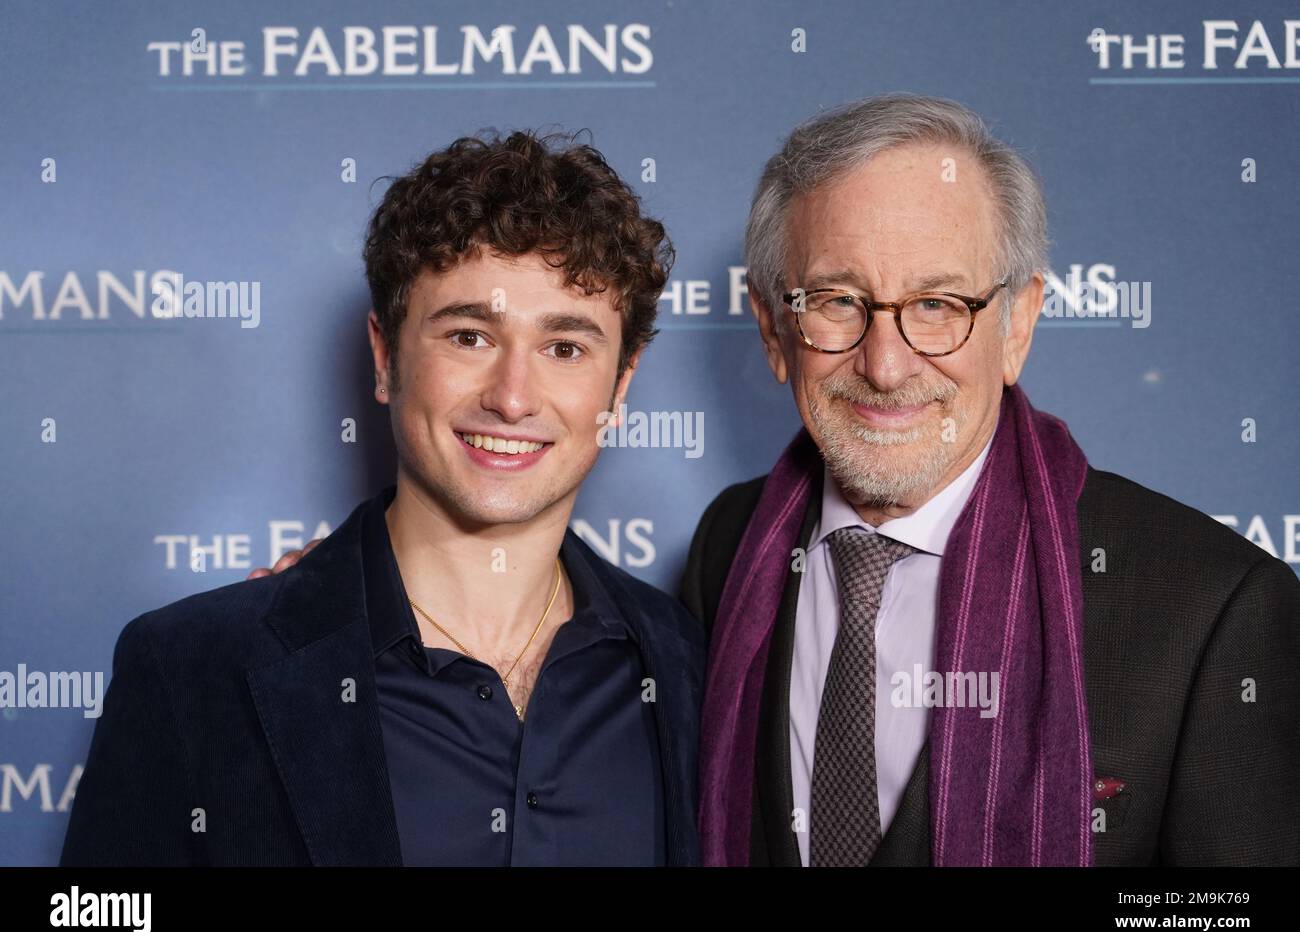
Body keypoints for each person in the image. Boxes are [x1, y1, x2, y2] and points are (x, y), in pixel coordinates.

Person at [679, 92, 1300, 866]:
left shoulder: (1214, 607)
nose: (886, 363)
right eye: (837, 301)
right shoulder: (726, 550)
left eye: (938, 304)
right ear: (775, 328)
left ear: (1018, 326)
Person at [60, 130, 705, 867]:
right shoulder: (192, 670)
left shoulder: (694, 672)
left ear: (620, 386)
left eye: (565, 348)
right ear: (385, 355)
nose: (513, 397)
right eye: (469, 336)